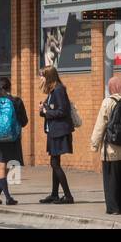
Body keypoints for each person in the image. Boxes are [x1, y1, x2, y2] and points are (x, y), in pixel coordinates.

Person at [90, 76, 121, 215]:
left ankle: (113, 208)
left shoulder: (107, 102)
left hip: (111, 150)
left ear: (111, 87)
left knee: (111, 180)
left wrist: (94, 144)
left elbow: (100, 125)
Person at [0, 76, 29, 206]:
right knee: (8, 166)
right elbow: (25, 122)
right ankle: (8, 198)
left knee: (1, 168)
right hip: (13, 139)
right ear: (10, 87)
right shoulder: (17, 101)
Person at [37, 66, 75, 204]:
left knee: (54, 163)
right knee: (55, 163)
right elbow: (50, 111)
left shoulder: (59, 90)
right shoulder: (52, 91)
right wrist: (43, 110)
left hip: (59, 132)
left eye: (42, 76)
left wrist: (47, 112)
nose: (41, 78)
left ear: (49, 76)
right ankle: (54, 194)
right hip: (53, 131)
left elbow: (63, 111)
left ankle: (68, 196)